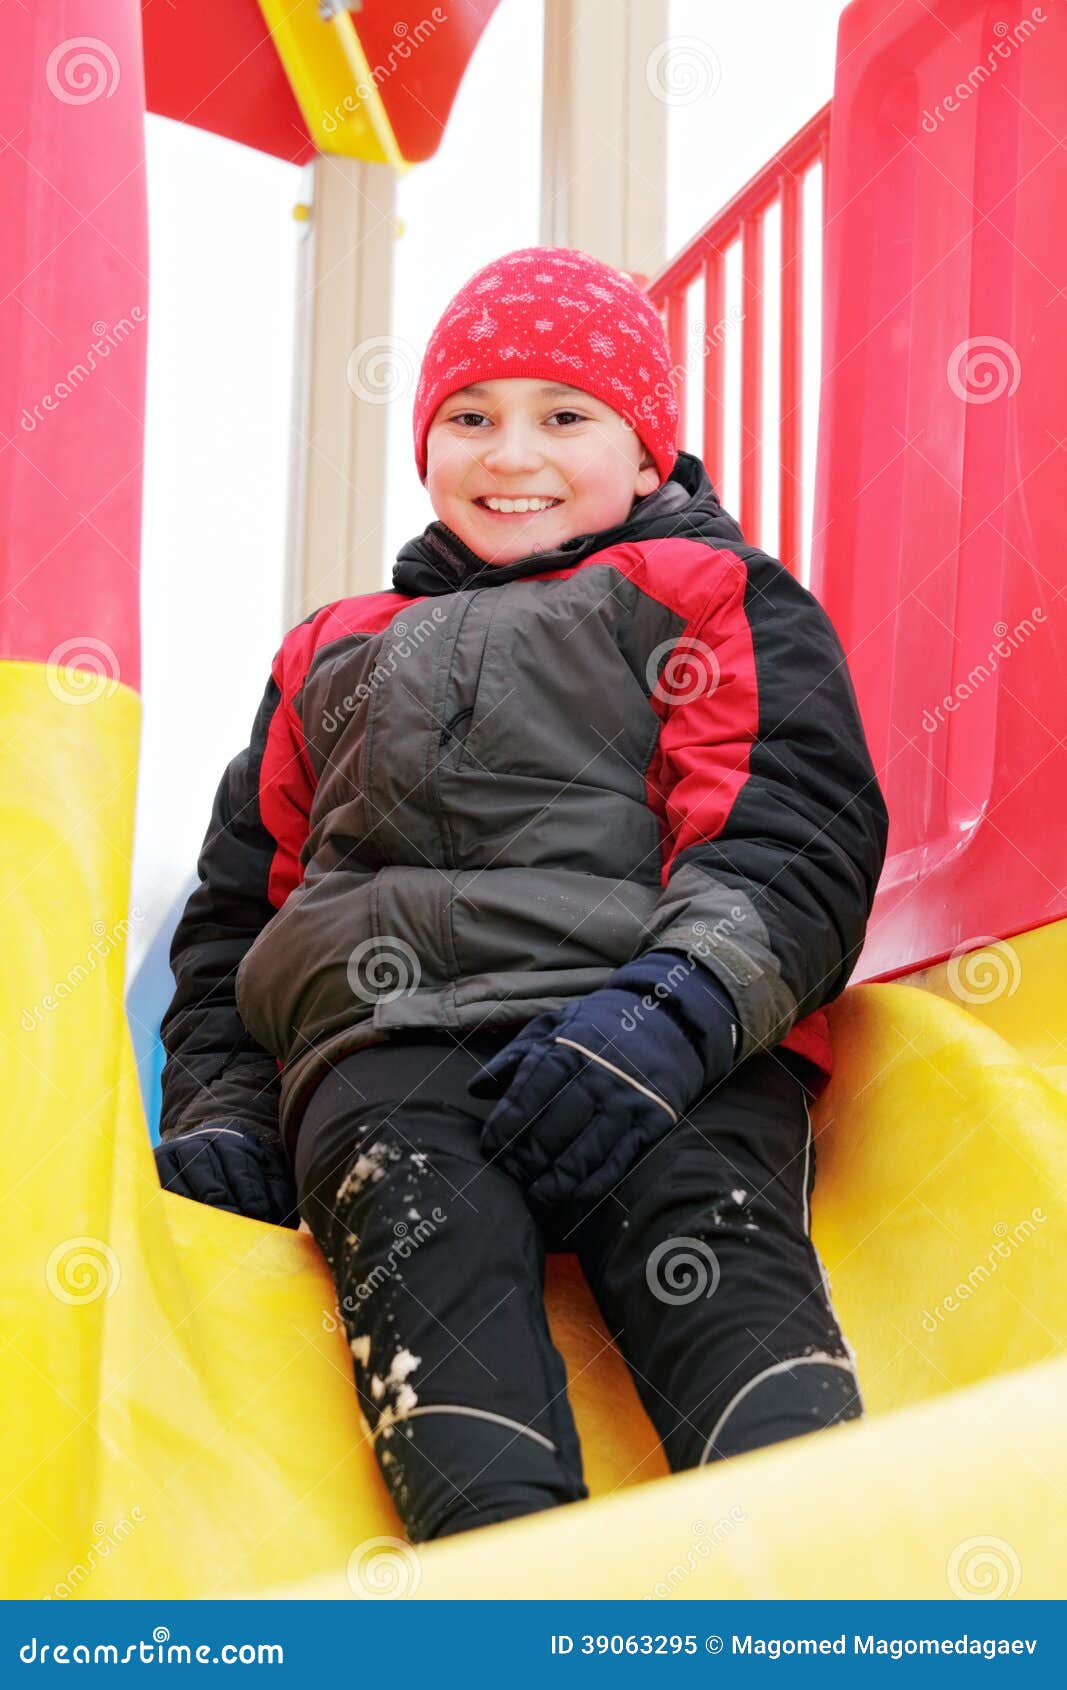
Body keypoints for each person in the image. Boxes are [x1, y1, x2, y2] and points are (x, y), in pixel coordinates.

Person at [155, 246, 890, 1544]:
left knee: (706, 1244)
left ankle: (813, 1565)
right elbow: (237, 917)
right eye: (469, 417)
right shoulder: (334, 647)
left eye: (566, 416)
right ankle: (507, 1568)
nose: (510, 452)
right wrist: (228, 1108)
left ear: (650, 451)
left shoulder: (705, 593)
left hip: (646, 1033)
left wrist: (666, 1017)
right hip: (389, 1044)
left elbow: (788, 824)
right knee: (421, 1255)